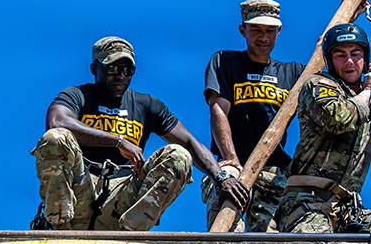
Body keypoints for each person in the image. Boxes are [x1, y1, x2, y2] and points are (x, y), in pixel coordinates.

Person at [33, 36, 245, 230]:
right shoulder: (78, 95)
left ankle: (131, 234)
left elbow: (189, 143)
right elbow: (57, 122)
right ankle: (61, 229)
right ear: (94, 68)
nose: (121, 76)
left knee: (179, 156)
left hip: (122, 199)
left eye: (128, 70)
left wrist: (221, 178)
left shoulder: (146, 105)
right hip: (80, 192)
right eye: (113, 68)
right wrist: (118, 142)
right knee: (55, 138)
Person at [276, 23, 371, 235]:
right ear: (330, 60)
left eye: (355, 53)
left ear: (366, 59)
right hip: (307, 200)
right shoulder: (318, 84)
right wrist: (369, 91)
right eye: (340, 55)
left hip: (347, 207)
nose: (349, 61)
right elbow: (339, 119)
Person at [203, 0, 306, 231]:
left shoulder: (292, 72)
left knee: (267, 237)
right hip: (234, 163)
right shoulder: (225, 61)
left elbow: (332, 66)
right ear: (243, 31)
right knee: (226, 190)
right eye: (256, 30)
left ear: (279, 31)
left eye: (269, 30)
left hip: (273, 170)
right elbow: (218, 110)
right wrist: (231, 158)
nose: (263, 37)